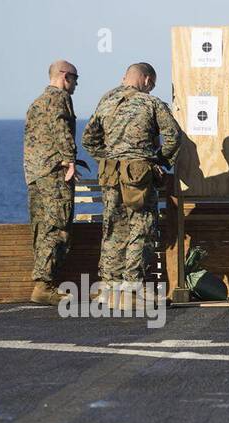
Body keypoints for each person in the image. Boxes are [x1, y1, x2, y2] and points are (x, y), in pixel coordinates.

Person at [82, 62, 182, 309]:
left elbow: (88, 139)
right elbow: (173, 136)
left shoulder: (106, 100)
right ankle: (131, 290)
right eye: (152, 85)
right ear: (146, 80)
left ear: (125, 77)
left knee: (113, 229)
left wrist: (108, 159)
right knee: (142, 228)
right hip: (138, 174)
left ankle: (108, 288)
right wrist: (158, 161)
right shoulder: (151, 103)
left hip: (109, 174)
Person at [23, 60, 79, 305]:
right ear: (64, 76)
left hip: (36, 174)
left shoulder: (36, 102)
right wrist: (70, 160)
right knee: (57, 227)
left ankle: (43, 282)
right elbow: (61, 128)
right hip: (55, 172)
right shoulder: (59, 98)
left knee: (41, 227)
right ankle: (44, 285)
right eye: (75, 78)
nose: (76, 84)